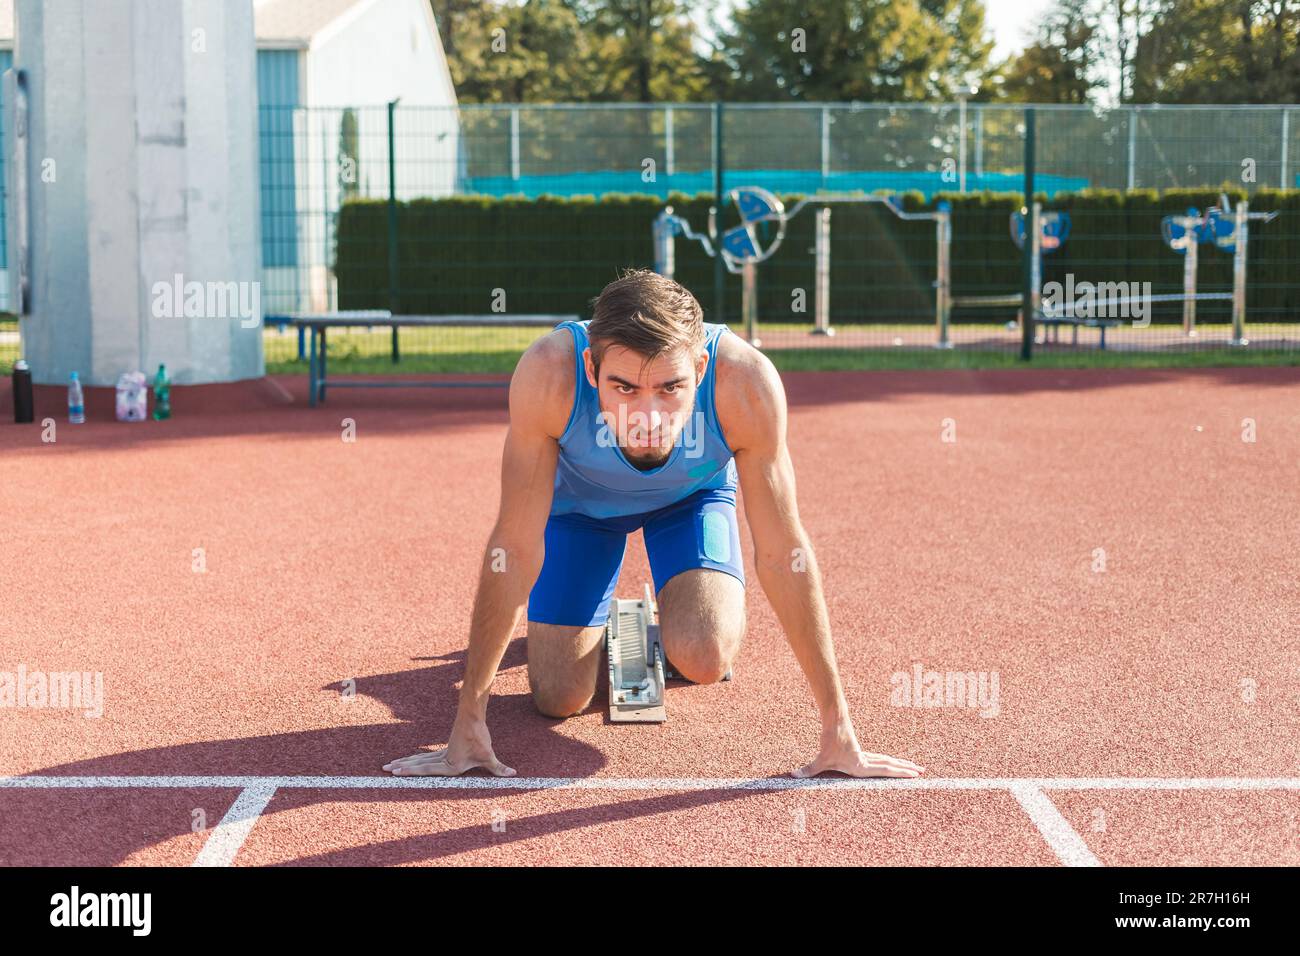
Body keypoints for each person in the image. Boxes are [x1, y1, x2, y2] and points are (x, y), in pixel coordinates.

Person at [384, 269, 924, 780]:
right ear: (592, 369)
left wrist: (838, 727)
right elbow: (514, 546)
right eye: (624, 389)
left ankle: (648, 625)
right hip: (579, 513)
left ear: (702, 370)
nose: (648, 416)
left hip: (690, 502)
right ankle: (597, 629)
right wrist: (468, 722)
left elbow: (784, 552)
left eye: (670, 389)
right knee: (557, 696)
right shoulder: (549, 374)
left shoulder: (747, 382)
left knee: (705, 656)